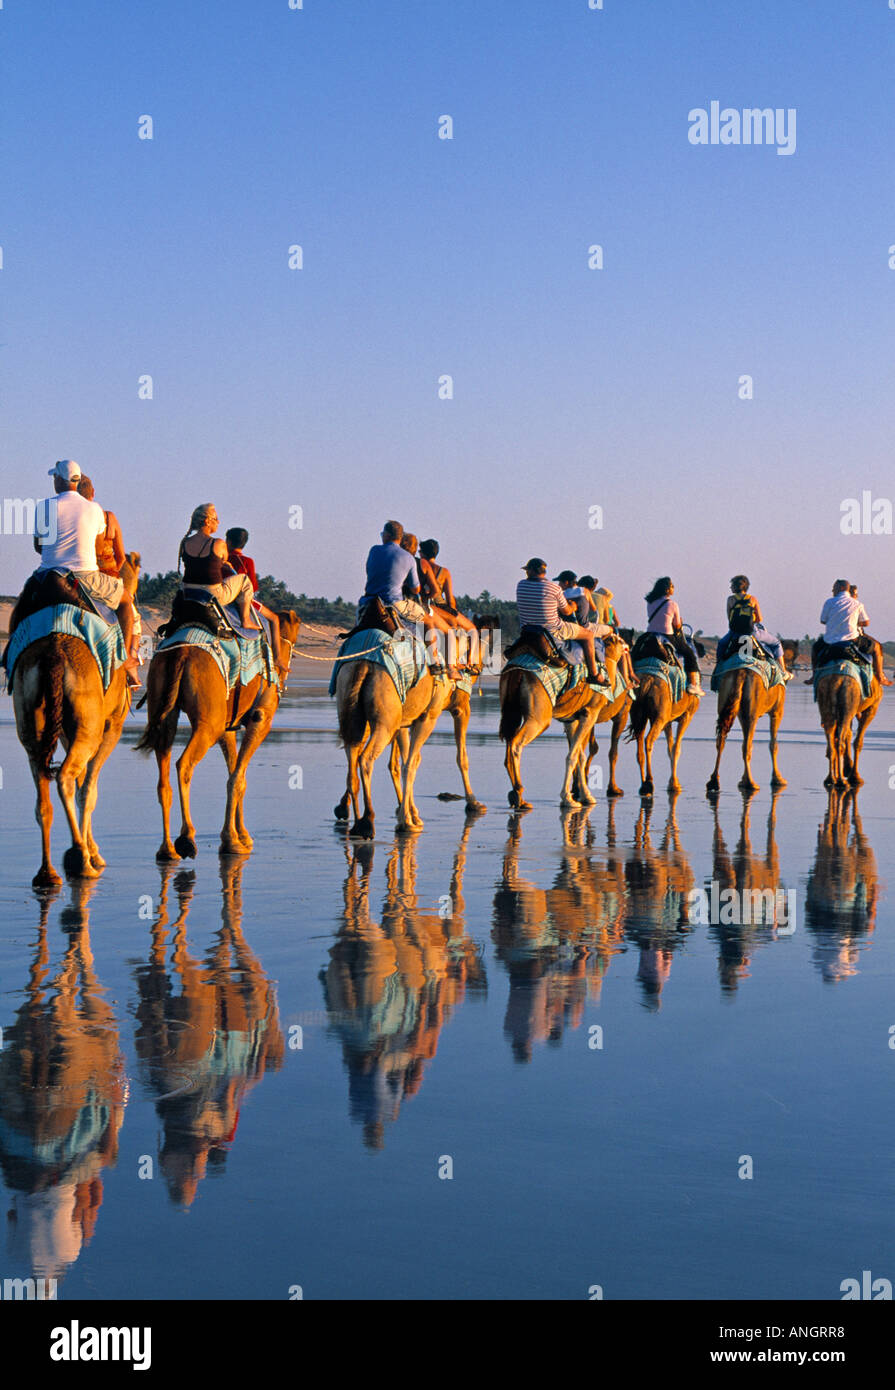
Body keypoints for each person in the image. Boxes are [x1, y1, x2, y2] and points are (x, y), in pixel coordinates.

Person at [32, 460, 140, 684]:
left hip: (48, 577)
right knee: (125, 602)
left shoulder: (44, 507)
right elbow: (97, 546)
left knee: (23, 609)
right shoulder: (94, 509)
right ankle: (124, 660)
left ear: (59, 480)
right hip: (86, 578)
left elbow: (38, 547)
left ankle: (11, 656)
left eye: (54, 477)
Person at [515, 558, 610, 687]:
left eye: (527, 570)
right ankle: (594, 674)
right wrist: (573, 606)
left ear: (532, 571)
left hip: (527, 629)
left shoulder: (521, 585)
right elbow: (566, 611)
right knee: (588, 635)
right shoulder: (554, 588)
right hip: (553, 629)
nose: (526, 573)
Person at [178, 504, 259, 631]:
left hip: (188, 592)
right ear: (207, 521)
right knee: (244, 579)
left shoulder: (185, 542)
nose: (218, 522)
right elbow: (223, 560)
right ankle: (246, 620)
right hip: (212, 594)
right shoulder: (218, 543)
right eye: (216, 519)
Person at [810, 581, 891, 686]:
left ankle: (814, 676)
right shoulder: (857, 604)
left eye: (834, 588)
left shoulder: (829, 602)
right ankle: (880, 677)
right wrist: (853, 621)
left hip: (830, 640)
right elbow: (866, 622)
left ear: (841, 588)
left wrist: (837, 621)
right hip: (852, 639)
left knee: (815, 649)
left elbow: (823, 620)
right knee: (876, 648)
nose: (832, 591)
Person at [224, 527, 284, 666]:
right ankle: (276, 658)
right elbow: (253, 586)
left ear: (228, 541)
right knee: (274, 619)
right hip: (241, 599)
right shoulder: (246, 561)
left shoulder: (223, 559)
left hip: (222, 594)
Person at [718, 575, 791, 678]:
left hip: (735, 633)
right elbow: (759, 618)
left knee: (721, 644)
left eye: (732, 585)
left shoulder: (730, 599)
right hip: (752, 632)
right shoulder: (752, 599)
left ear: (736, 587)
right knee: (776, 643)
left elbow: (729, 618)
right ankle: (783, 671)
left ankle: (718, 669)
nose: (730, 587)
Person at [644, 577, 703, 696]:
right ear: (667, 589)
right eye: (672, 586)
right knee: (689, 653)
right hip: (666, 636)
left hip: (650, 635)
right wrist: (680, 622)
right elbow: (677, 625)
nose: (673, 588)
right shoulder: (672, 604)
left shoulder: (650, 602)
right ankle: (693, 684)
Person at [77, 475, 125, 576]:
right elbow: (121, 558)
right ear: (93, 492)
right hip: (110, 576)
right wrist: (111, 573)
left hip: (85, 575)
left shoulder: (76, 519)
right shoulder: (110, 518)